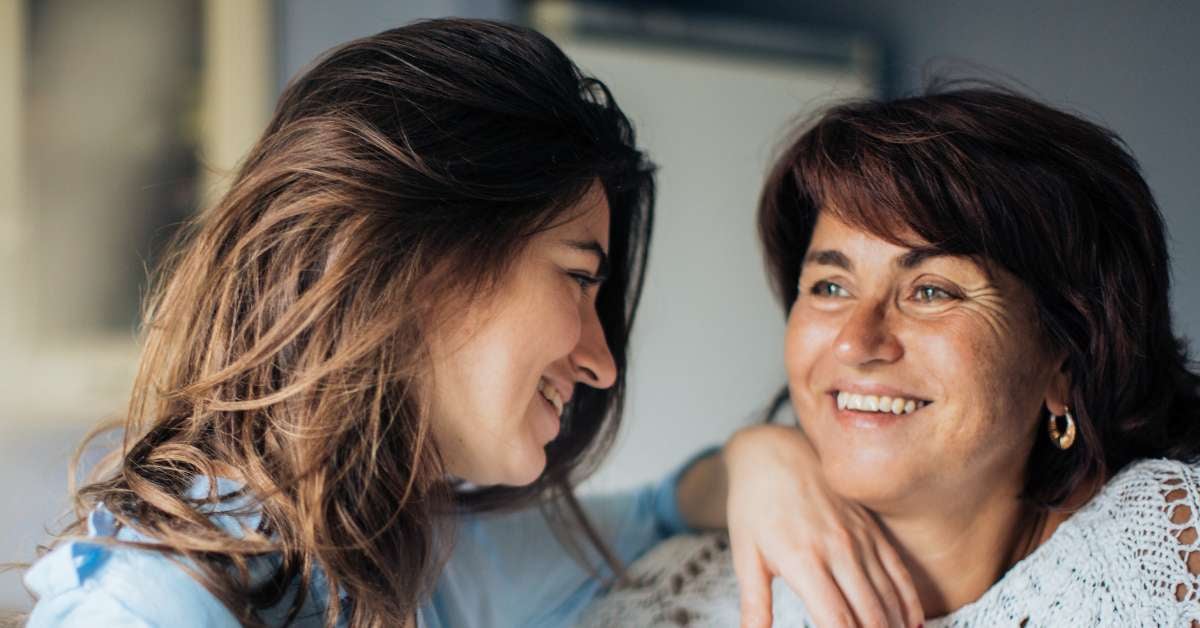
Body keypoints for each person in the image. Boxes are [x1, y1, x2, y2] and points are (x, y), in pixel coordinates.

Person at [21, 19, 919, 628]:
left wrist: (766, 456)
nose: (602, 363)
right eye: (578, 278)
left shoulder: (414, 559)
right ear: (423, 264)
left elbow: (655, 513)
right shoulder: (150, 606)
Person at [579, 84, 1200, 627]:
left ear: (1065, 359)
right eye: (830, 286)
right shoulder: (673, 601)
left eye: (931, 291)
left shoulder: (1167, 564)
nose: (856, 340)